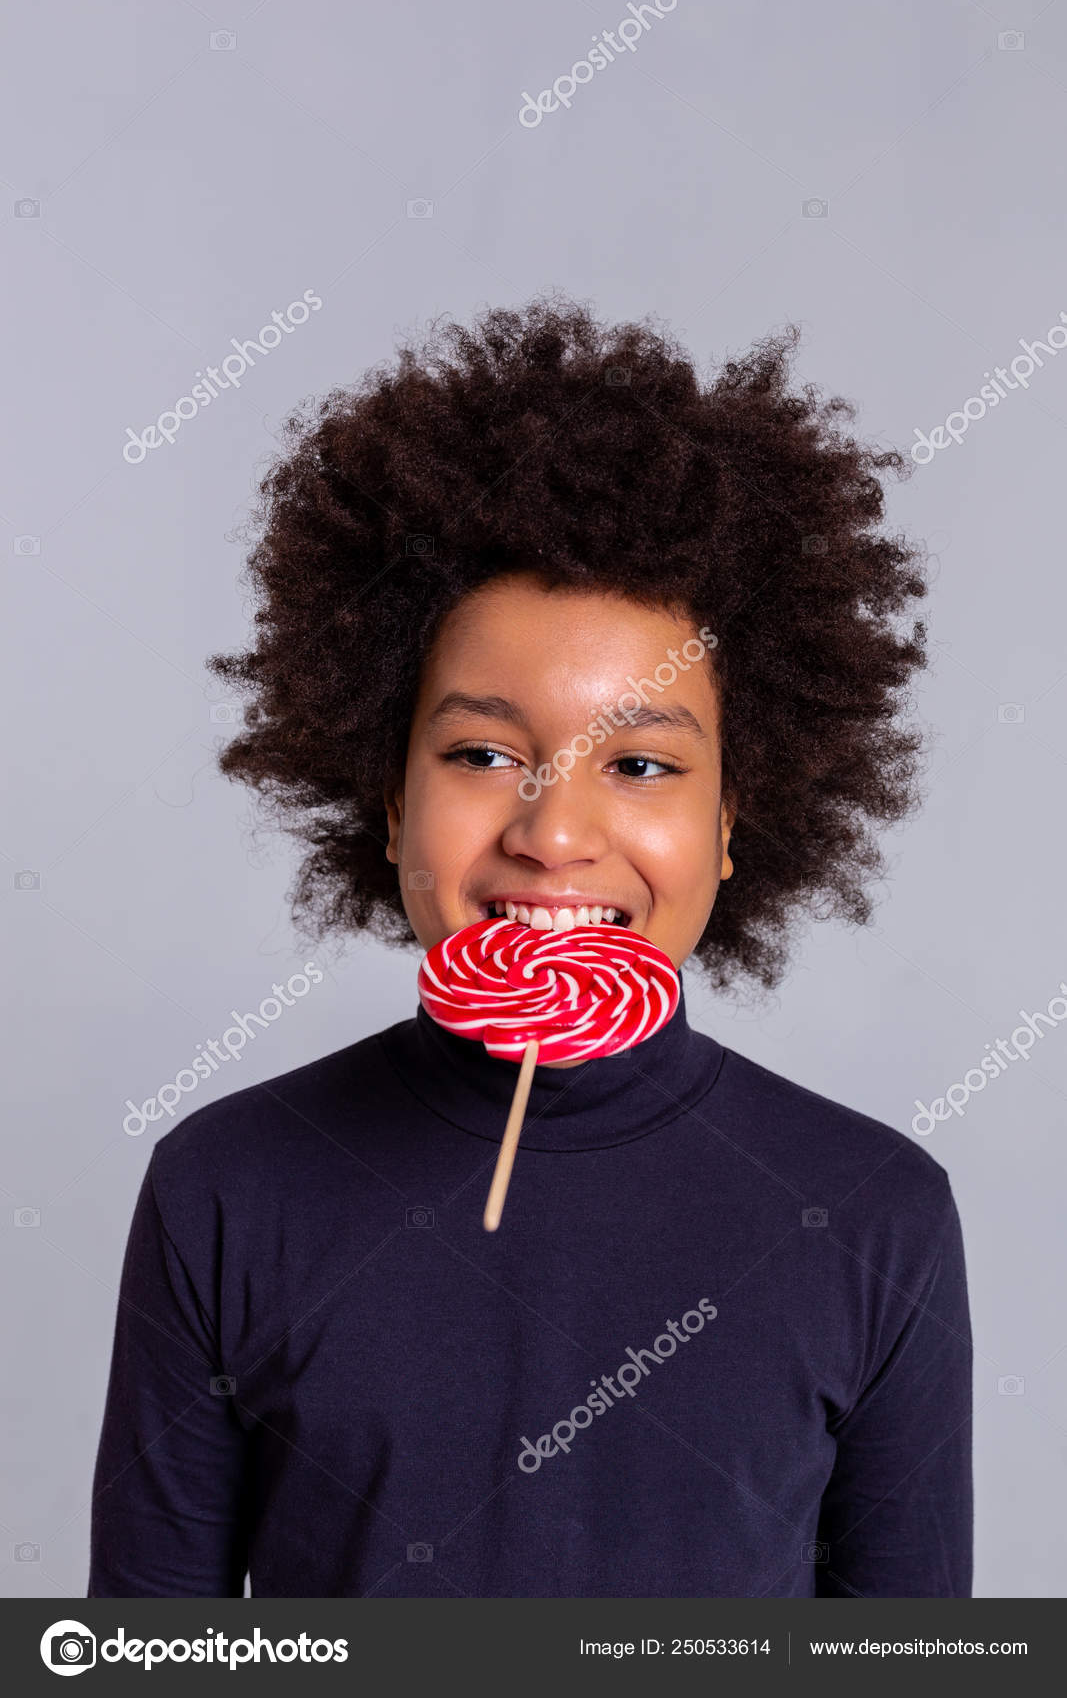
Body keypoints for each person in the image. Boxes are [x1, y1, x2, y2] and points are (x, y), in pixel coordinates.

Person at [88, 296, 972, 1598]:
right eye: (485, 754)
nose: (555, 832)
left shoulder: (873, 1215)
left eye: (641, 762)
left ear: (732, 824)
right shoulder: (227, 1187)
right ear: (390, 799)